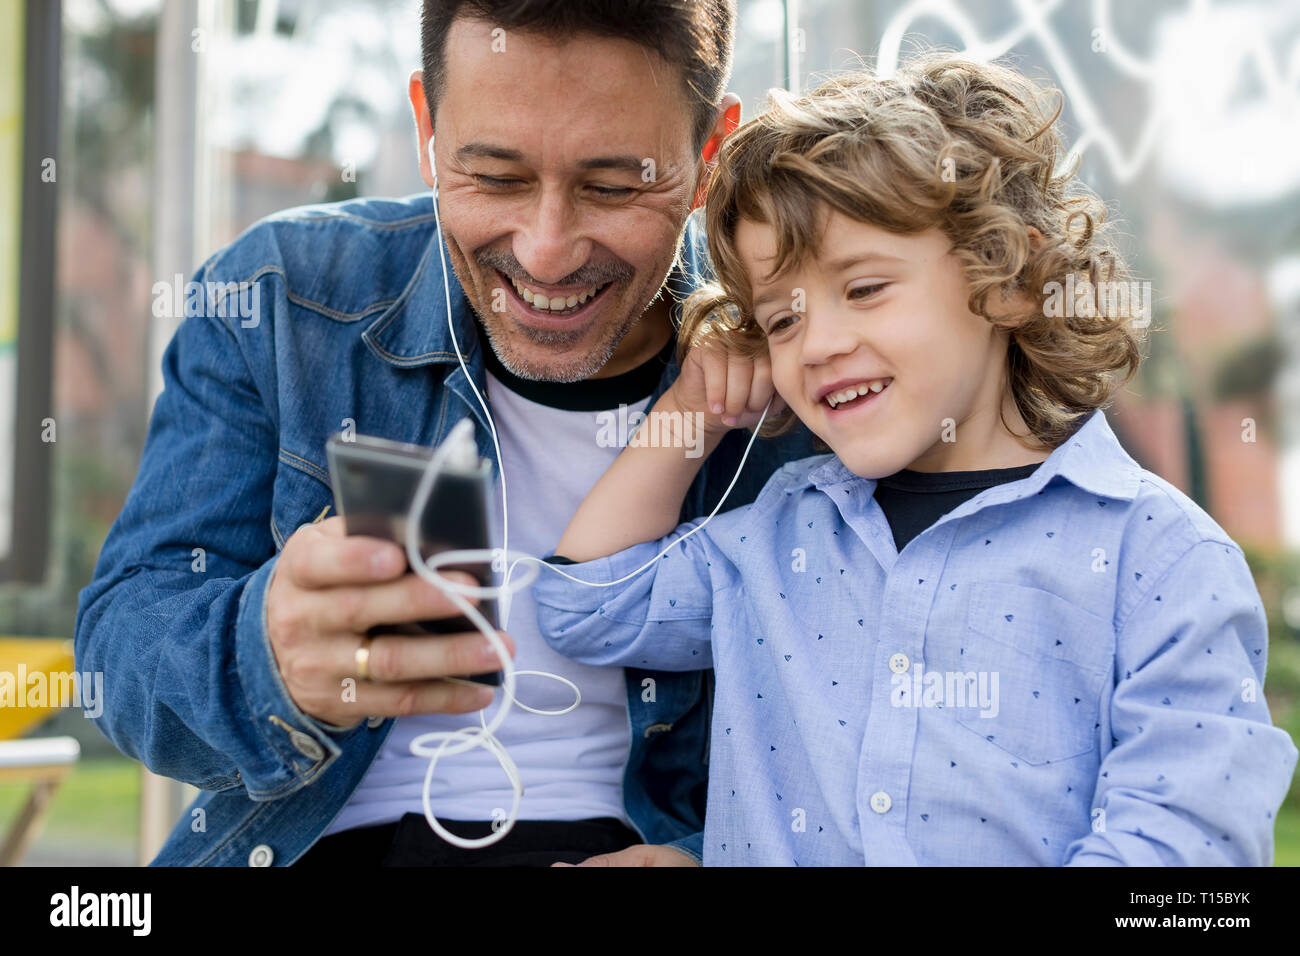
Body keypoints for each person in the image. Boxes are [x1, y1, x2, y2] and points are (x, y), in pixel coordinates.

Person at [74, 0, 814, 867]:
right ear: (428, 126)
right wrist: (263, 654)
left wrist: (715, 856)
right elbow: (121, 647)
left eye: (613, 187)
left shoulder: (804, 355)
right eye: (494, 176)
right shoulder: (281, 300)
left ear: (709, 157)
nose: (546, 254)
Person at [534, 54, 1300, 865]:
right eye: (782, 320)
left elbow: (1183, 858)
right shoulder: (780, 531)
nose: (819, 343)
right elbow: (586, 604)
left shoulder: (1160, 560)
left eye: (864, 289)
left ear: (1007, 280)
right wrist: (693, 408)